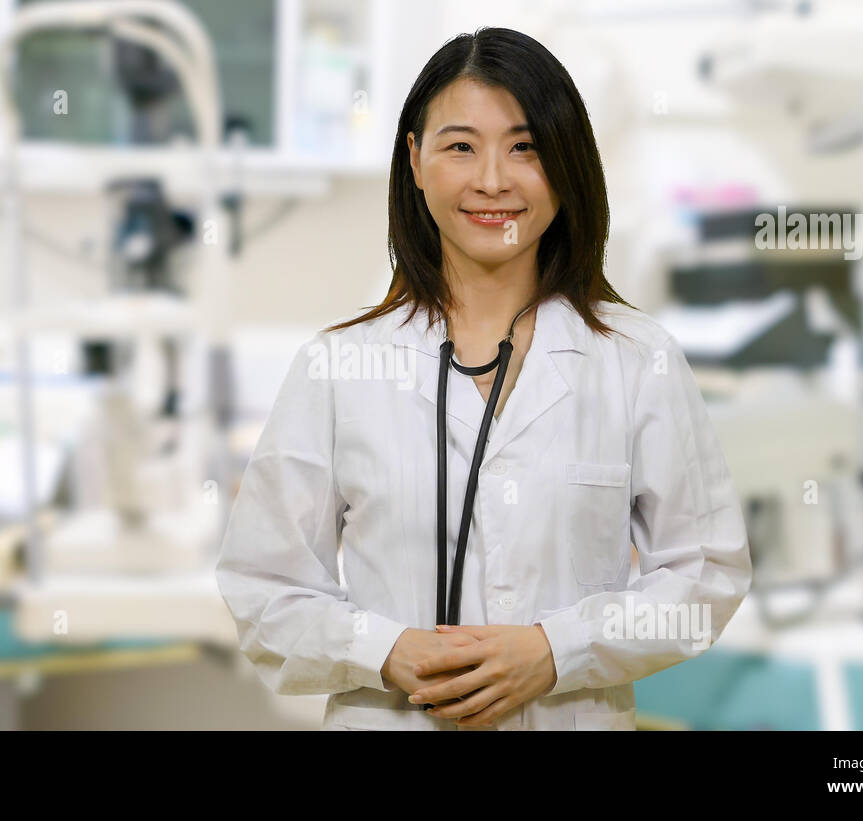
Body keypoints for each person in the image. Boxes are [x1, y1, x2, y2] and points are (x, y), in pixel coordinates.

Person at [215, 27, 751, 730]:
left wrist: (558, 650)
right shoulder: (338, 368)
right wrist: (385, 650)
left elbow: (707, 573)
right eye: (460, 145)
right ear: (414, 159)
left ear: (567, 165)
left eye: (525, 147)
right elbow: (263, 586)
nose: (493, 180)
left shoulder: (637, 360)